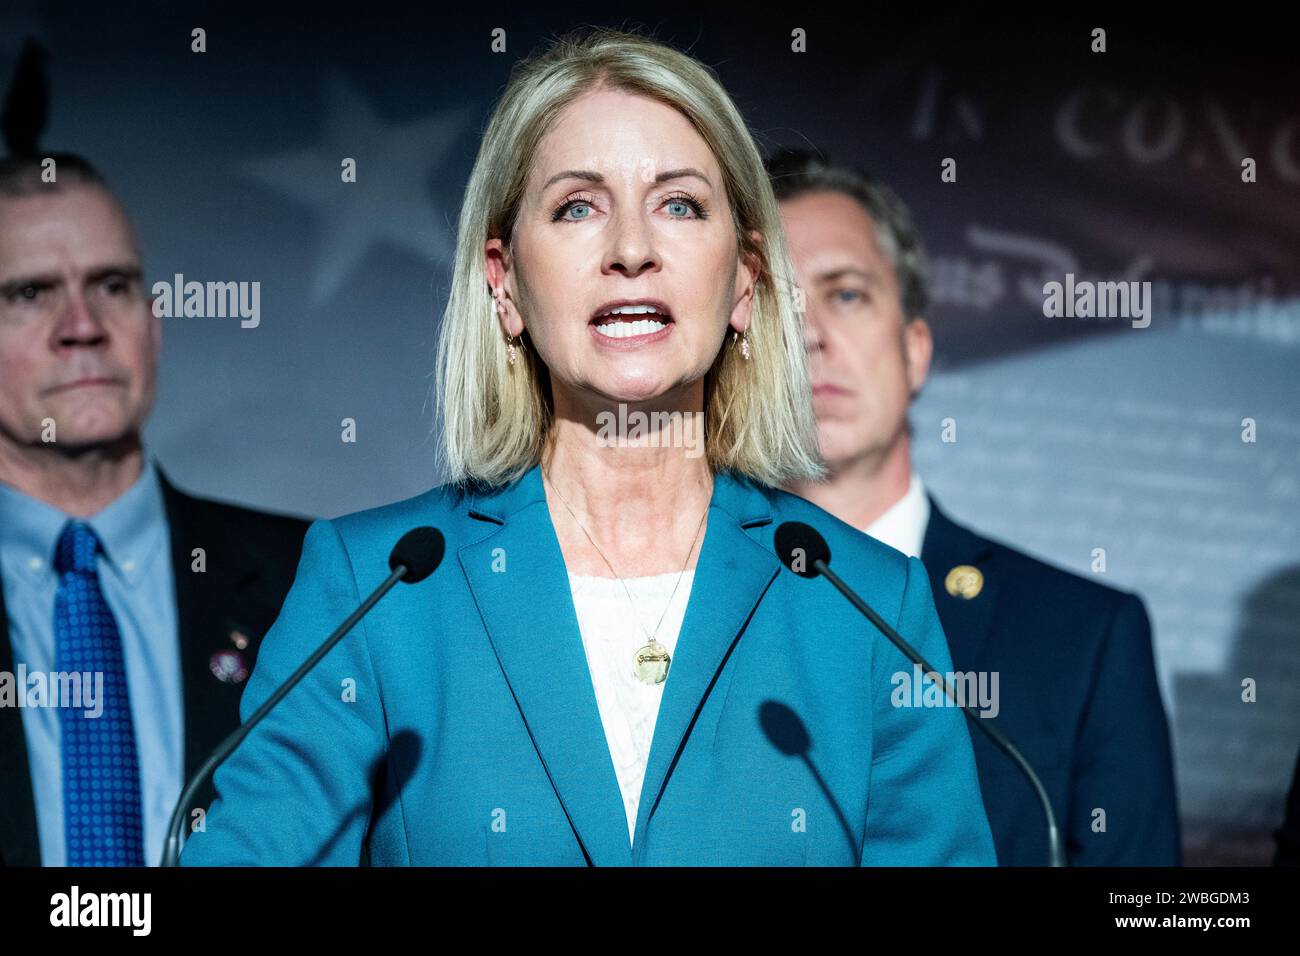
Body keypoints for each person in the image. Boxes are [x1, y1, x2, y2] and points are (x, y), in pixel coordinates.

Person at [181, 28, 995, 866]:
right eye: (577, 207)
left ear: (746, 281)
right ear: (505, 284)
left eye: (680, 204)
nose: (632, 250)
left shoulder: (868, 604)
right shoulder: (376, 586)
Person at [769, 148, 1181, 865]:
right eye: (778, 303)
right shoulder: (672, 606)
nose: (810, 334)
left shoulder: (1083, 637)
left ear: (916, 350)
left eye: (846, 294)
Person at [0, 153, 309, 866]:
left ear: (153, 323)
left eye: (112, 285)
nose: (82, 326)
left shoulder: (315, 583)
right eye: (29, 293)